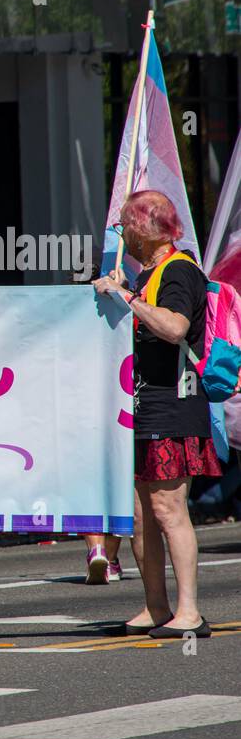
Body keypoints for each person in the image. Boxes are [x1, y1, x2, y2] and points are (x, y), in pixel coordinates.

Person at [93, 190, 217, 637]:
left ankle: (190, 611)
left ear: (144, 229)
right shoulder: (144, 273)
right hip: (141, 410)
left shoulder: (179, 270)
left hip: (173, 406)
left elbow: (176, 327)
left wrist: (127, 298)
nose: (122, 232)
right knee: (141, 515)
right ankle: (156, 606)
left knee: (169, 510)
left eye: (126, 224)